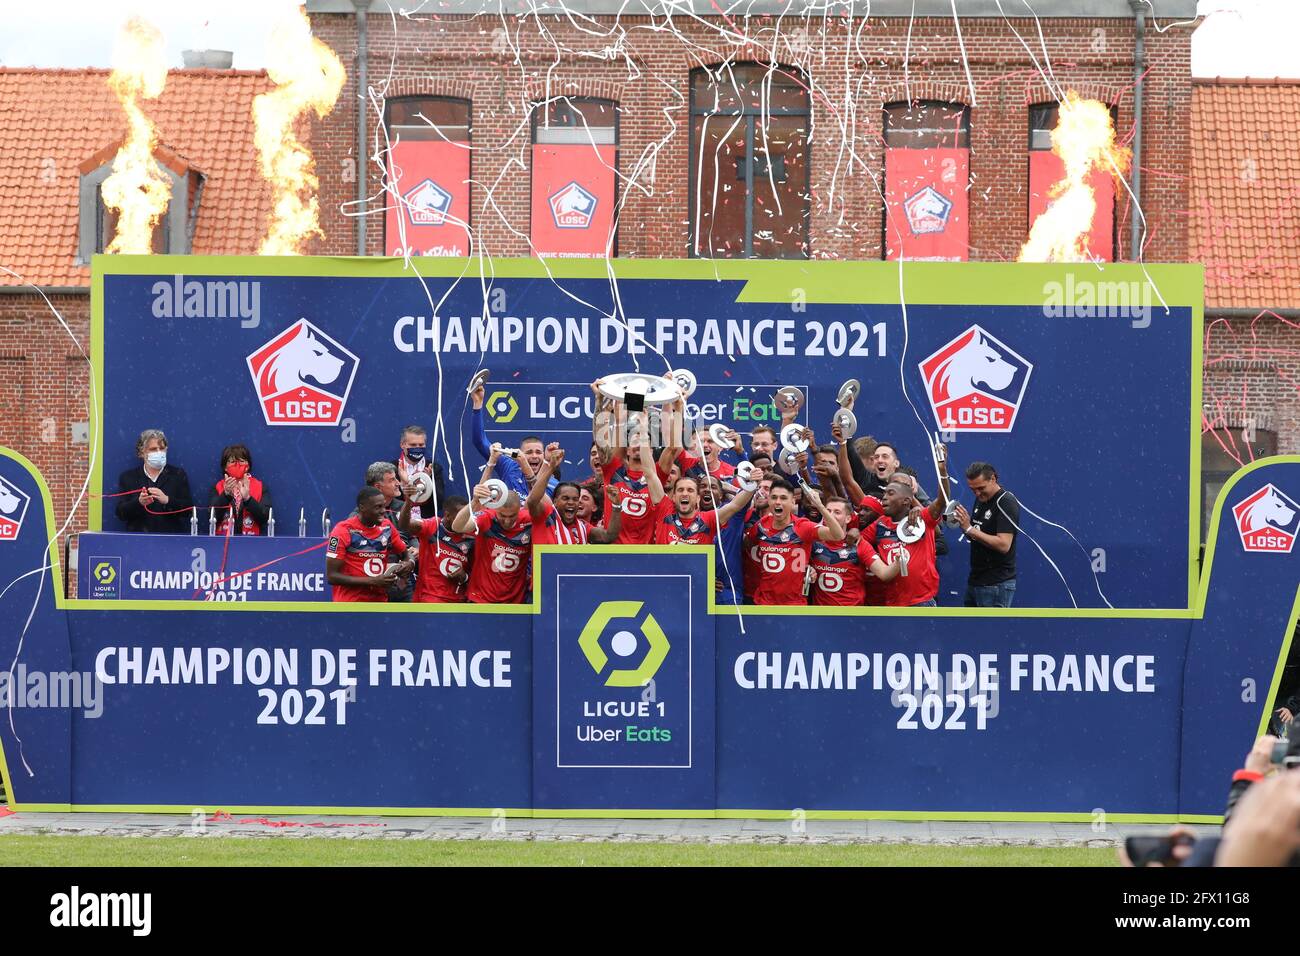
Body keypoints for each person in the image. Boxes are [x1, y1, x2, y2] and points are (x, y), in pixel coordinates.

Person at [858, 457, 951, 607]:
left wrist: (942, 471)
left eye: (891, 494)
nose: (885, 498)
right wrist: (874, 561)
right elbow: (858, 541)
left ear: (906, 501)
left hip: (921, 603)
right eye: (885, 494)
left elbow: (942, 500)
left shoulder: (922, 517)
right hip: (891, 603)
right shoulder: (880, 524)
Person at [745, 477, 843, 606]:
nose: (778, 502)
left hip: (794, 604)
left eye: (783, 498)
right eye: (774, 497)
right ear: (768, 500)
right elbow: (747, 545)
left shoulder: (803, 527)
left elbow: (838, 535)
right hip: (763, 603)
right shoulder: (761, 526)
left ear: (793, 502)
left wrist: (820, 506)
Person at [646, 440, 753, 545]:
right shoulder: (665, 510)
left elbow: (735, 505)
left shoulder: (708, 519)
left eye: (690, 490)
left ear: (698, 498)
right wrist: (642, 436)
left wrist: (753, 482)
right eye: (680, 490)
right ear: (673, 497)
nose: (685, 493)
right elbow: (650, 474)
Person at [809, 498, 904, 606]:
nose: (830, 515)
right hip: (820, 615)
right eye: (828, 511)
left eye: (837, 512)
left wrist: (898, 562)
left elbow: (884, 574)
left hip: (852, 615)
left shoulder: (859, 544)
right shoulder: (813, 542)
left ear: (848, 519)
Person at [325, 487, 414, 602]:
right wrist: (372, 581)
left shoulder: (387, 526)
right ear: (362, 507)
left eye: (384, 506)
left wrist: (409, 564)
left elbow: (406, 555)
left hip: (380, 604)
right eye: (378, 507)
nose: (383, 511)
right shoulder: (343, 530)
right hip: (349, 605)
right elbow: (332, 576)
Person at [451, 482, 533, 604]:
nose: (507, 521)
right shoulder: (487, 518)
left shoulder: (528, 521)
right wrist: (474, 502)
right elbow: (457, 527)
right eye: (502, 515)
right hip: (480, 598)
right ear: (496, 509)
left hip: (514, 602)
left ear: (519, 510)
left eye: (512, 516)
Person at [526, 443, 623, 544]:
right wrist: (551, 467)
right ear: (554, 501)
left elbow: (609, 536)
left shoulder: (583, 527)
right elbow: (533, 501)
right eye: (565, 498)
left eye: (576, 499)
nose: (571, 502)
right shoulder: (544, 516)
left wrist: (616, 506)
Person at [952, 461, 1019, 607]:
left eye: (981, 488)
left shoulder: (1006, 502)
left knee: (990, 630)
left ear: (993, 479)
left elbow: (1003, 544)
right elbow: (977, 535)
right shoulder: (981, 498)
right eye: (973, 489)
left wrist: (969, 529)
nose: (977, 493)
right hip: (976, 580)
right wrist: (963, 523)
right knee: (970, 630)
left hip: (996, 584)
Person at [115, 428, 194, 534]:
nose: (159, 452)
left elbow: (188, 510)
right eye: (153, 449)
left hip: (170, 540)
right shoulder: (128, 477)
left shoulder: (178, 475)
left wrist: (167, 500)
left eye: (162, 448)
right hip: (138, 541)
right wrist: (139, 502)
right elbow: (121, 513)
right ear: (141, 452)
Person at [398, 493, 473, 604]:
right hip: (428, 599)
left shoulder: (472, 535)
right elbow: (405, 525)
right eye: (461, 516)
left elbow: (479, 573)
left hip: (458, 602)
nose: (465, 520)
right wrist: (409, 501)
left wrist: (465, 577)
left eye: (467, 515)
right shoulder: (433, 526)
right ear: (447, 516)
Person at [362, 460, 414, 602]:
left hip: (403, 583)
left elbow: (413, 535)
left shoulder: (404, 507)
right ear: (378, 487)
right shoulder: (358, 517)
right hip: (375, 582)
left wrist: (415, 551)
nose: (398, 483)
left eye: (397, 478)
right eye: (392, 480)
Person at [210, 444, 271, 536]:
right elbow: (211, 517)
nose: (237, 465)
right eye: (233, 462)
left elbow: (265, 518)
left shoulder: (260, 486)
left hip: (252, 542)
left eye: (241, 461)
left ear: (248, 466)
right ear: (225, 467)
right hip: (222, 541)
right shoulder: (218, 486)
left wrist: (248, 499)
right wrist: (225, 495)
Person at [393, 425, 445, 518]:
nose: (417, 448)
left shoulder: (433, 468)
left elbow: (440, 503)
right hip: (398, 524)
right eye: (413, 445)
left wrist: (427, 483)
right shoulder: (392, 468)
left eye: (421, 445)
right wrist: (403, 484)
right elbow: (388, 501)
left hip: (425, 525)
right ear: (402, 445)